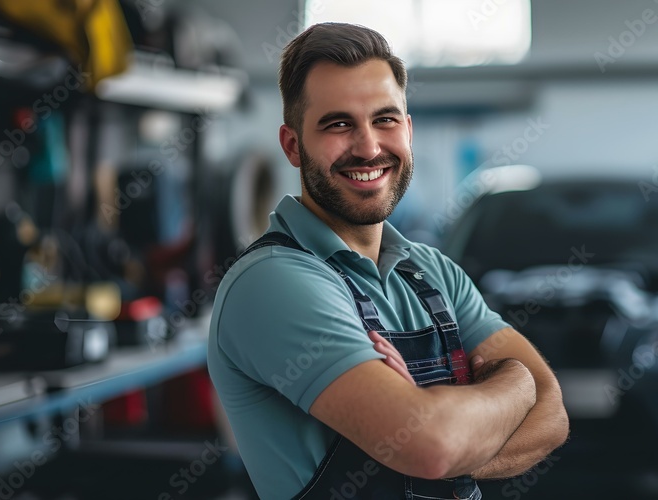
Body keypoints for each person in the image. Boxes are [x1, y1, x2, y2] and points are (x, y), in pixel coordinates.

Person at [207, 22, 568, 499]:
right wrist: (515, 383)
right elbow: (432, 447)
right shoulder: (272, 282)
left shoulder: (434, 273)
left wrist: (445, 423)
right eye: (338, 124)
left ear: (408, 129)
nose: (369, 147)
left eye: (385, 119)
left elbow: (553, 417)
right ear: (293, 146)